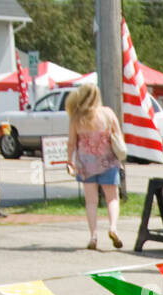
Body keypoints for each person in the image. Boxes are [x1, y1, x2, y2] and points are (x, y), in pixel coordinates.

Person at [64, 84, 123, 250]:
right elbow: (118, 136)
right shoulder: (108, 113)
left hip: (86, 164)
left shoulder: (77, 117)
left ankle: (93, 236)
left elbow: (71, 142)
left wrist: (69, 160)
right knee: (112, 198)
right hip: (108, 161)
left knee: (91, 201)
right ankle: (113, 228)